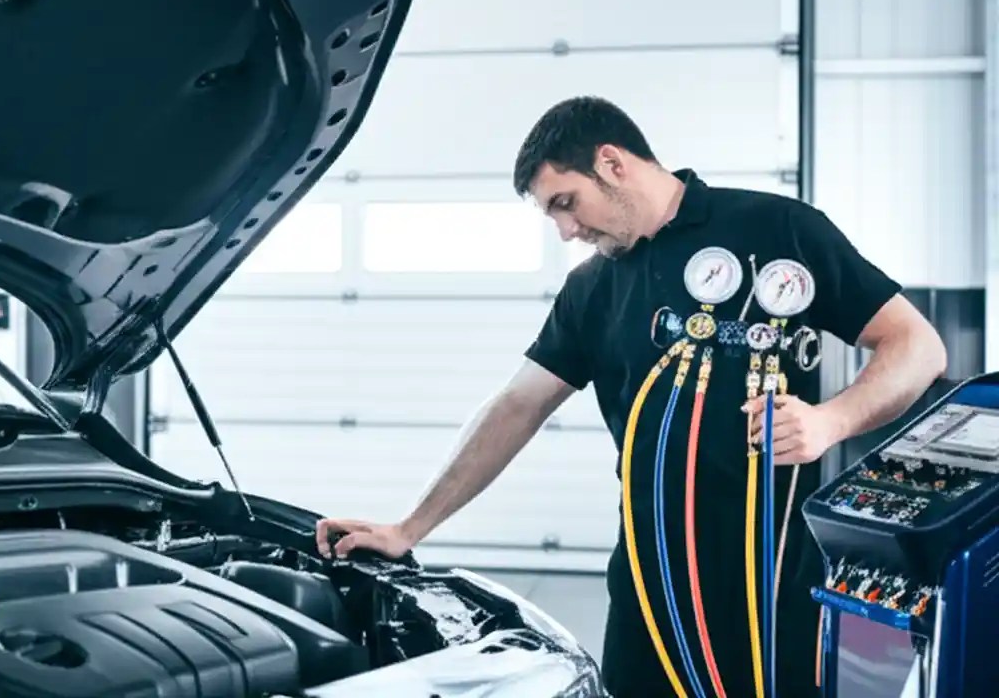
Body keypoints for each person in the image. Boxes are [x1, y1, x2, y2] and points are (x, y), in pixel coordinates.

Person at [313, 96, 948, 697]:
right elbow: (516, 406)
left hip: (772, 589)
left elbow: (916, 346)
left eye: (567, 202)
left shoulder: (778, 229)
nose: (565, 230)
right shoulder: (592, 290)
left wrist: (832, 421)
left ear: (612, 163)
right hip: (649, 594)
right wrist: (409, 527)